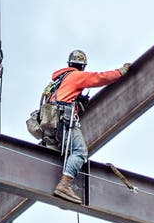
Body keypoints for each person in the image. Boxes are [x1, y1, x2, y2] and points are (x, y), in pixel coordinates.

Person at [49, 50, 131, 204]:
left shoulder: (58, 82)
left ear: (69, 64)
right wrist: (119, 72)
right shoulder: (75, 76)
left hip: (52, 125)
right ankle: (64, 184)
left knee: (66, 151)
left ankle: (64, 177)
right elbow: (98, 78)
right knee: (80, 152)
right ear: (82, 66)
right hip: (64, 120)